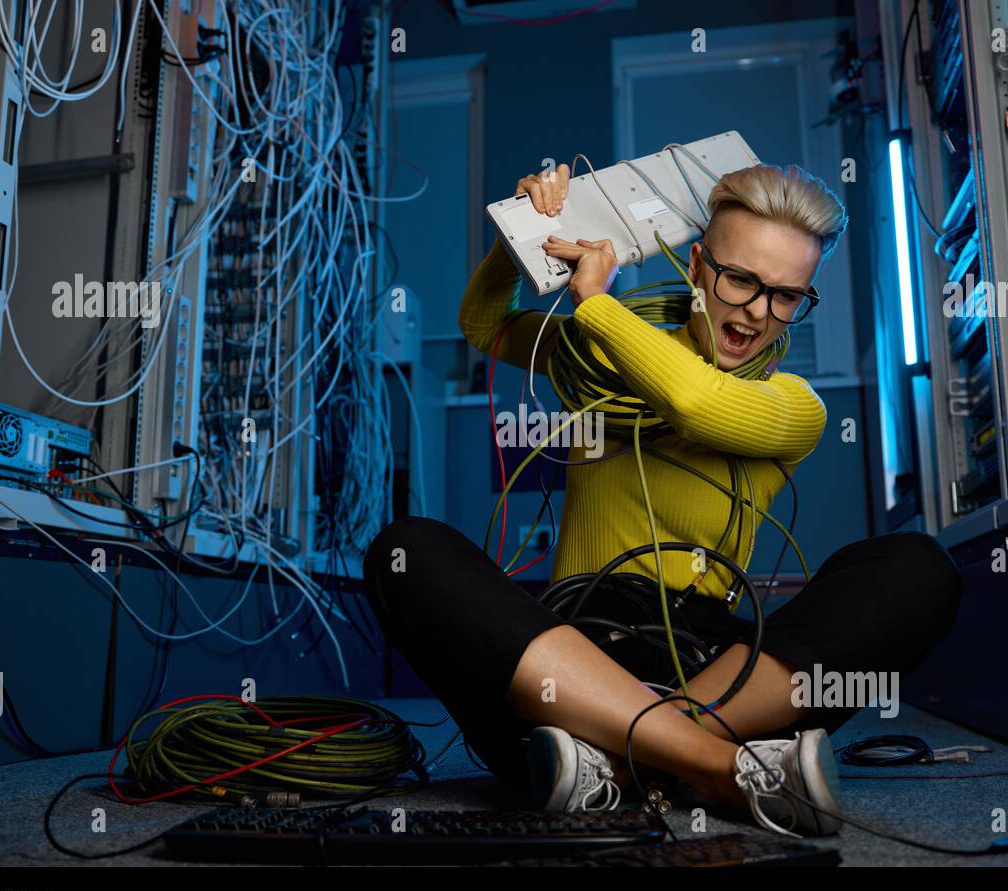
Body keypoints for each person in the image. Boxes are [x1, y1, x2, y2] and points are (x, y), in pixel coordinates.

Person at [362, 162, 962, 836]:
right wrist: (524, 230)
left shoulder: (792, 407)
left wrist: (597, 306)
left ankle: (612, 766)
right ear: (698, 264)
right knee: (404, 551)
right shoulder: (598, 361)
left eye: (788, 296)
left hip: (718, 673)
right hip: (567, 660)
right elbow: (482, 323)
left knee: (920, 568)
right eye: (741, 280)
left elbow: (693, 401)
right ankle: (716, 767)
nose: (758, 313)